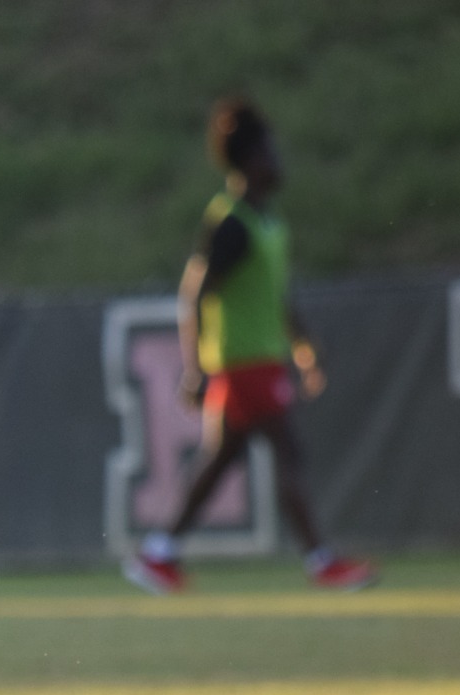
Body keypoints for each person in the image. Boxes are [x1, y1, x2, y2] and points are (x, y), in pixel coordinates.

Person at [123, 97, 377, 594]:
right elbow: (194, 293)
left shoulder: (268, 222)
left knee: (222, 458)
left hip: (262, 358)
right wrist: (194, 366)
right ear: (249, 161)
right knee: (289, 453)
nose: (277, 161)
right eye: (268, 152)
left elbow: (274, 295)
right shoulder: (233, 222)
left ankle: (159, 553)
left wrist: (303, 345)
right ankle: (320, 560)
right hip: (242, 362)